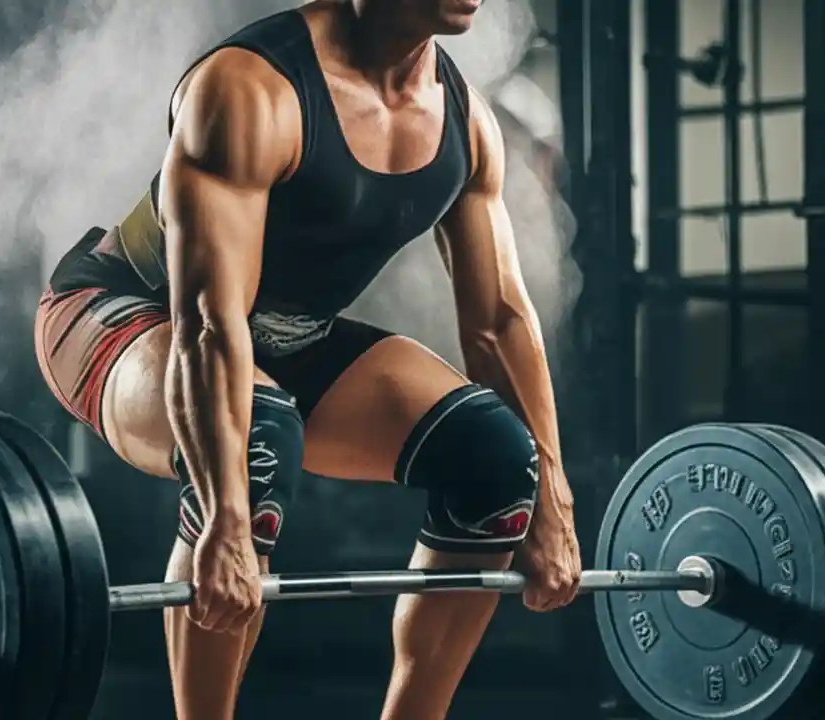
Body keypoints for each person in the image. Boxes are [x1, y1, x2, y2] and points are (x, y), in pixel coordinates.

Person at [33, 1, 582, 717]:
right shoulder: (248, 88)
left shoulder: (465, 122)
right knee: (253, 444)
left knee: (499, 462)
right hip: (122, 314)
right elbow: (209, 321)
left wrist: (554, 501)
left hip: (282, 335)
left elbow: (499, 322)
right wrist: (226, 517)